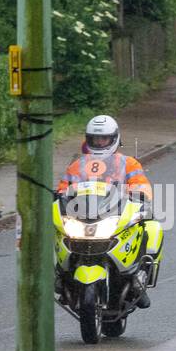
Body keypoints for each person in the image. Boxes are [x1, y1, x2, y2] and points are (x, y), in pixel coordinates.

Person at [56, 114, 158, 306]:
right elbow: (64, 188)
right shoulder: (78, 165)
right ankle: (62, 276)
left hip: (116, 212)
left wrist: (140, 195)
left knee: (149, 227)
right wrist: (58, 195)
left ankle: (138, 278)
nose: (100, 142)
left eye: (104, 138)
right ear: (88, 139)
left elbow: (141, 185)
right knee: (58, 232)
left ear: (114, 138)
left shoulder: (128, 163)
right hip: (84, 214)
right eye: (96, 138)